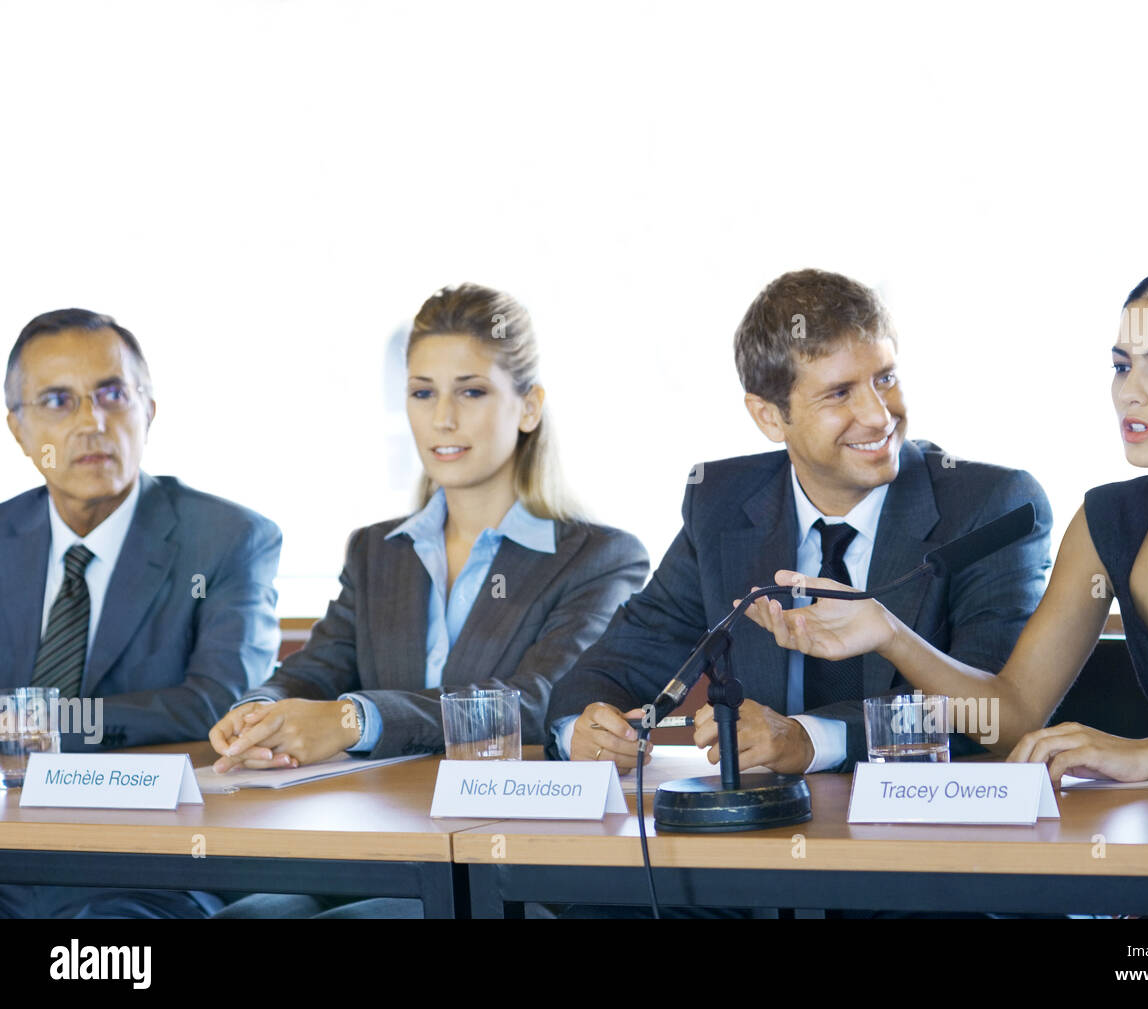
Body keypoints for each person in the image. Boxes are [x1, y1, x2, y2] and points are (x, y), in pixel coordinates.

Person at [744, 262, 1148, 783]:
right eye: (1122, 366)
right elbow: (1011, 719)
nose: (1130, 392)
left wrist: (1146, 753)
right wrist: (890, 635)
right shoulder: (1107, 522)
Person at [207, 282, 648, 917]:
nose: (443, 418)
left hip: (514, 863)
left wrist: (353, 719)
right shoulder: (376, 551)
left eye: (471, 391)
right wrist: (259, 712)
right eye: (422, 393)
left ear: (528, 407)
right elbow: (318, 669)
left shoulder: (599, 556)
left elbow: (539, 703)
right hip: (380, 843)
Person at [546, 268, 1053, 775]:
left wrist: (809, 738)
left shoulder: (991, 507)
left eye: (886, 379)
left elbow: (990, 713)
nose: (878, 416)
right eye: (839, 393)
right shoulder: (722, 504)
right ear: (769, 417)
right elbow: (621, 661)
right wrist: (583, 730)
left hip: (928, 832)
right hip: (773, 835)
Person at [0, 308, 282, 918]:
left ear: (148, 410)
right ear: (19, 431)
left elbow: (215, 703)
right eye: (57, 400)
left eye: (112, 394)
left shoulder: (228, 538)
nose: (91, 422)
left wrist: (37, 721)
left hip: (150, 862)